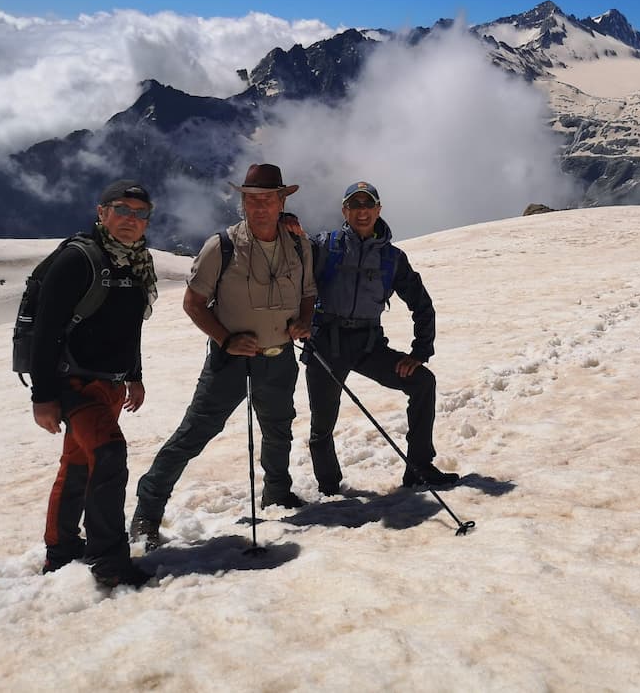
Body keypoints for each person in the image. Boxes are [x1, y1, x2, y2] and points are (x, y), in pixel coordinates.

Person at [130, 164, 315, 551]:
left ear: (282, 201)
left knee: (279, 428)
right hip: (229, 360)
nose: (259, 206)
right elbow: (193, 303)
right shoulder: (222, 246)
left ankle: (277, 494)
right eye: (251, 199)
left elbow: (308, 293)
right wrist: (226, 340)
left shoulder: (300, 244)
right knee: (194, 433)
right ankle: (147, 513)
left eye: (267, 199)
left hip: (279, 357)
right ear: (242, 201)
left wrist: (304, 321)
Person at [32, 179, 158, 589]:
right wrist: (44, 397)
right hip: (76, 383)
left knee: (79, 463)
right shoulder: (77, 260)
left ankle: (61, 549)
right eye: (122, 209)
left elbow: (128, 329)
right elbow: (45, 332)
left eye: (140, 214)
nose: (131, 220)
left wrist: (134, 376)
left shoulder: (136, 264)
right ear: (101, 212)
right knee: (108, 454)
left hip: (111, 384)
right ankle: (108, 560)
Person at [303, 180, 458, 494]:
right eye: (355, 205)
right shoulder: (323, 246)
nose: (362, 211)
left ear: (378, 209)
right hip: (326, 344)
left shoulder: (392, 258)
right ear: (345, 210)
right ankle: (330, 487)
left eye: (367, 205)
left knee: (422, 381)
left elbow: (422, 304)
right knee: (322, 424)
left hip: (368, 345)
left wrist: (420, 352)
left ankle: (419, 468)